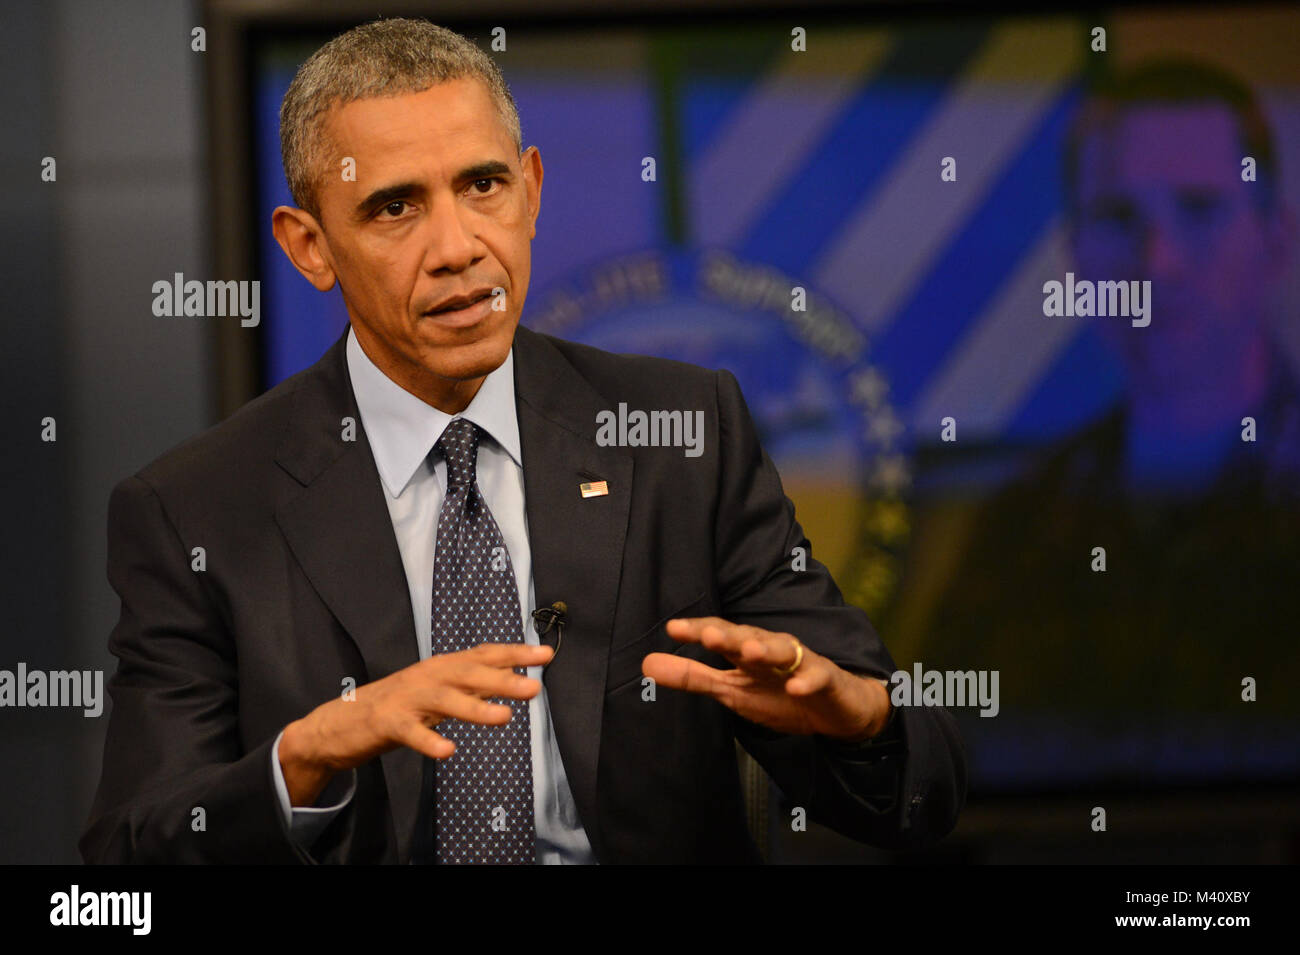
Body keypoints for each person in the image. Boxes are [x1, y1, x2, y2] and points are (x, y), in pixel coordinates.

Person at [80, 17, 965, 864]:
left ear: (531, 189)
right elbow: (130, 857)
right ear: (309, 247)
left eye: (482, 186)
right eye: (395, 207)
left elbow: (922, 790)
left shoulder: (682, 439)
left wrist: (860, 721)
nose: (458, 246)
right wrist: (304, 757)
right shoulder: (195, 510)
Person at [887, 60, 1300, 735]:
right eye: (1117, 217)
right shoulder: (1019, 521)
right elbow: (935, 780)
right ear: (1076, 259)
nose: (1158, 261)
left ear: (1274, 241)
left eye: (1199, 209)